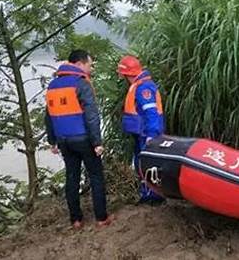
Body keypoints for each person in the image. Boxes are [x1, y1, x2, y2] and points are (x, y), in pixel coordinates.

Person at [45, 49, 113, 229]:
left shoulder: (52, 85)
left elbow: (49, 116)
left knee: (72, 177)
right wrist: (97, 143)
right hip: (83, 139)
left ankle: (76, 220)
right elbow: (91, 116)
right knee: (96, 176)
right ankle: (101, 218)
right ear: (79, 64)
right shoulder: (81, 84)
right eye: (89, 64)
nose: (91, 68)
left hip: (64, 141)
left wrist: (52, 141)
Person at [117, 55, 165, 205]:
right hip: (140, 133)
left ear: (127, 74)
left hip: (147, 134)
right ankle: (146, 194)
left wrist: (151, 134)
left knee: (149, 164)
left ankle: (155, 196)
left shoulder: (144, 88)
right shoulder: (139, 85)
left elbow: (152, 113)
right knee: (140, 162)